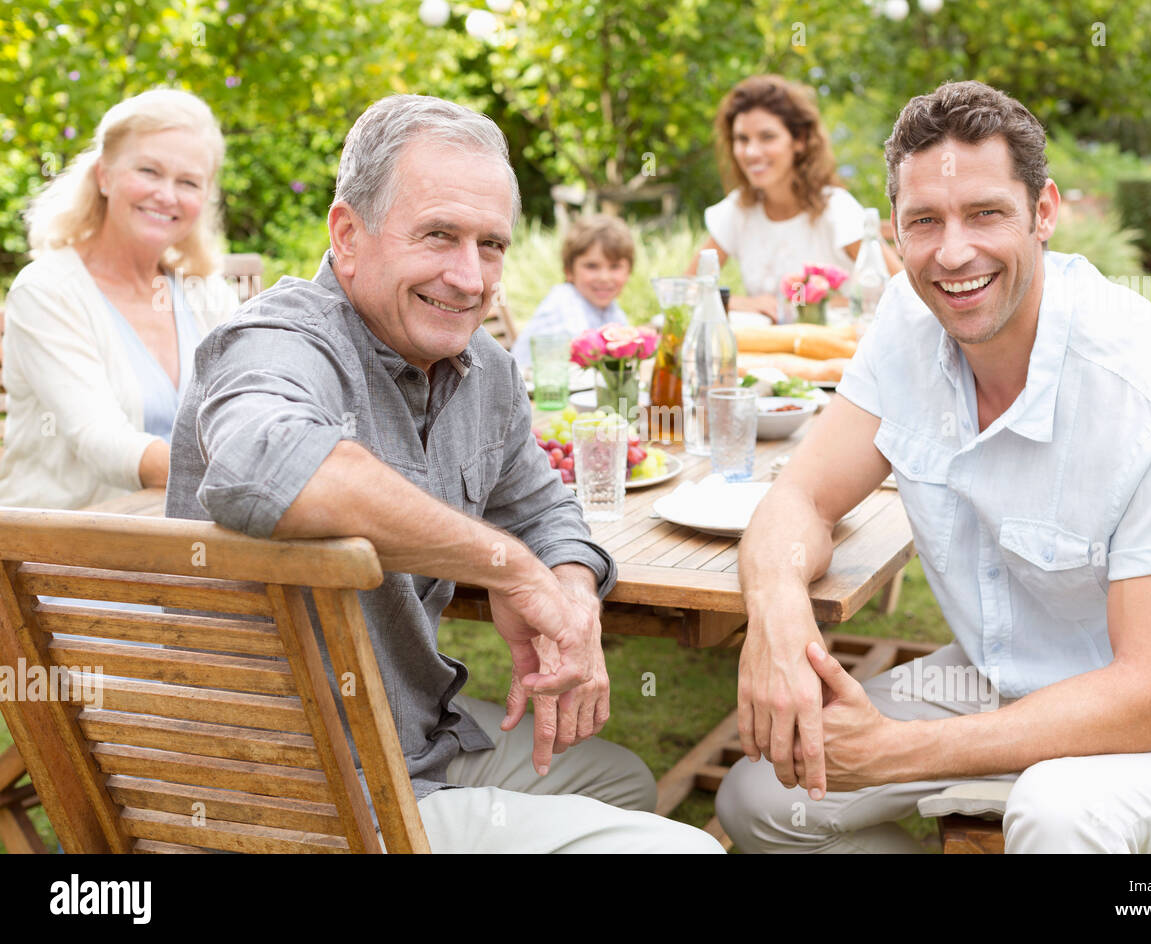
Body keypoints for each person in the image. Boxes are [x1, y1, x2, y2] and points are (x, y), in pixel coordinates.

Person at [716, 80, 1151, 853]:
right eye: (924, 221)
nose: (953, 252)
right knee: (761, 793)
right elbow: (801, 497)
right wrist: (778, 619)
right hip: (997, 675)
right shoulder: (904, 322)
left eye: (985, 213)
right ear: (895, 231)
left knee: (1059, 815)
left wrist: (897, 751)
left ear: (1044, 212)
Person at [164, 94, 720, 853]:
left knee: (618, 779)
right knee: (677, 849)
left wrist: (569, 589)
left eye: (491, 245)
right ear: (347, 235)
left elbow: (546, 509)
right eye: (438, 235)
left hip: (402, 733)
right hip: (288, 785)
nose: (469, 277)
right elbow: (269, 466)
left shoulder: (481, 369)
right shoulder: (276, 340)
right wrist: (509, 570)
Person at [0, 88, 237, 510]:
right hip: (58, 549)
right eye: (149, 171)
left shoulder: (207, 295)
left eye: (187, 182)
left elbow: (249, 410)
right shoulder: (46, 291)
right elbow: (101, 440)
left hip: (181, 529)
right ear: (104, 175)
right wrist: (245, 477)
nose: (166, 194)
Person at [688, 74, 900, 321]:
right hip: (766, 354)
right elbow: (687, 289)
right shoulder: (738, 209)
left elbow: (903, 289)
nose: (751, 152)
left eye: (767, 137)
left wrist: (825, 306)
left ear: (799, 140)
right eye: (741, 139)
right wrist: (741, 302)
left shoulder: (835, 209)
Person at [510, 214, 634, 370]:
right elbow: (584, 362)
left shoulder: (610, 308)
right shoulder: (563, 303)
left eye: (615, 266)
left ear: (628, 271)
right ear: (569, 271)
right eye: (592, 266)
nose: (604, 277)